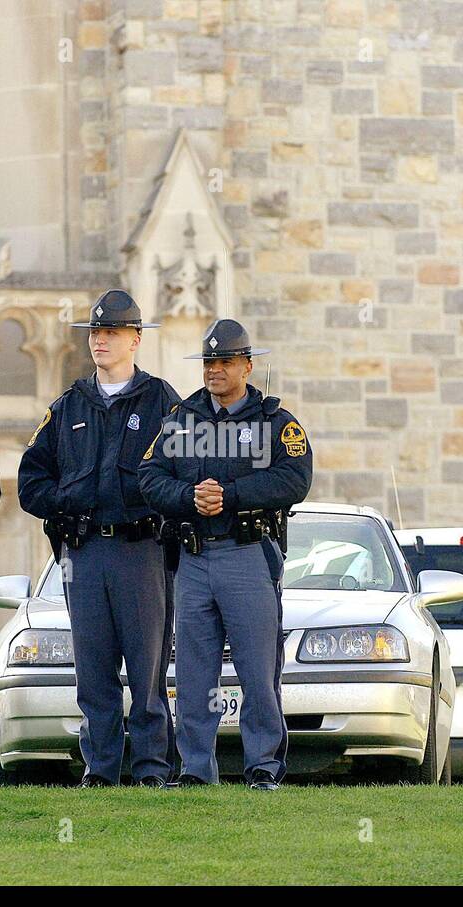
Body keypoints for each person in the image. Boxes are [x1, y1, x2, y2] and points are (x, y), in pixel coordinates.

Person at [139, 318, 312, 790]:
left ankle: (263, 767)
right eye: (209, 362)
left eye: (225, 362)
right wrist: (189, 498)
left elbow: (294, 480)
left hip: (247, 554)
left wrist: (230, 495)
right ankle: (195, 768)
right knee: (194, 673)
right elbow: (150, 477)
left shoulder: (274, 421)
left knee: (258, 670)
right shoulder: (181, 419)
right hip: (193, 558)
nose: (215, 370)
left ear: (247, 366)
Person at [17, 289, 180, 788]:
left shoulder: (163, 403)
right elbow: (30, 481)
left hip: (142, 551)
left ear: (135, 340)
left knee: (147, 667)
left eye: (111, 333)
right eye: (95, 333)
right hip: (85, 553)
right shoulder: (68, 406)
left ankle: (153, 768)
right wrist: (67, 504)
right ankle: (102, 768)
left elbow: (184, 471)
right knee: (93, 668)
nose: (101, 341)